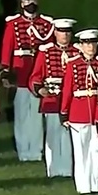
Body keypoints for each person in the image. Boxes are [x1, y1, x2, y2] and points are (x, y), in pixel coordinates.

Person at [1, 0, 55, 162]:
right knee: (22, 113)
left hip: (39, 73)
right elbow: (7, 49)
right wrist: (6, 72)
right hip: (20, 72)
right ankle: (24, 151)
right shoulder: (13, 24)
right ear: (21, 3)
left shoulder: (47, 24)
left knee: (38, 115)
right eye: (26, 0)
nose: (30, 3)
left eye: (33, 0)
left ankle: (37, 151)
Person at [60, 29, 98, 195]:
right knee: (81, 150)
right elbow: (67, 89)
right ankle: (83, 185)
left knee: (97, 149)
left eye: (93, 43)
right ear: (81, 46)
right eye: (87, 43)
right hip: (78, 112)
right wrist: (64, 112)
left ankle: (95, 184)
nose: (90, 47)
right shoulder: (72, 64)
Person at [29, 18, 79, 178]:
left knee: (70, 135)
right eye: (61, 32)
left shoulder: (77, 51)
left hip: (72, 99)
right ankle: (54, 169)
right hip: (52, 97)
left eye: (67, 32)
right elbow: (35, 76)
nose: (64, 35)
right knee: (53, 133)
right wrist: (40, 89)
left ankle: (69, 168)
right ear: (55, 33)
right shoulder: (46, 52)